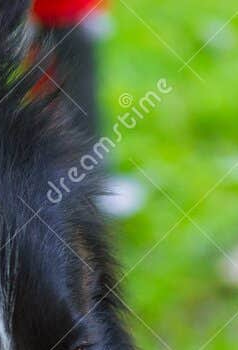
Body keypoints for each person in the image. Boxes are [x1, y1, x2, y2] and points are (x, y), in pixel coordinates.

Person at [28, 0, 146, 217]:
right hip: (57, 18)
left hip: (66, 16)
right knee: (69, 104)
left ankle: (86, 184)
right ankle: (83, 188)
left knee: (75, 100)